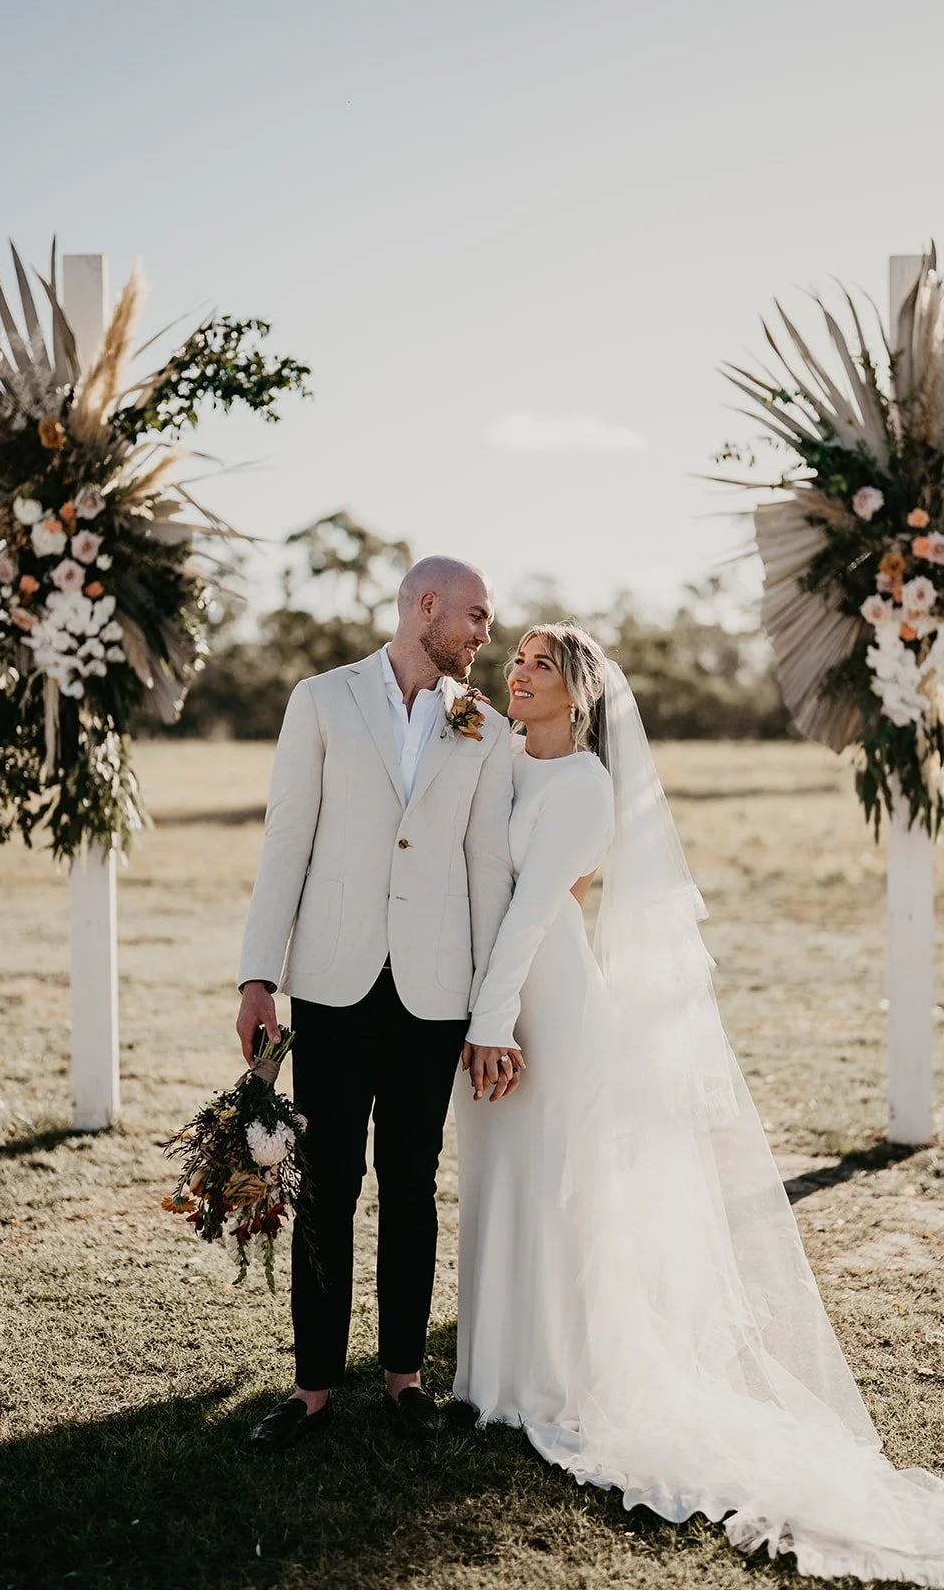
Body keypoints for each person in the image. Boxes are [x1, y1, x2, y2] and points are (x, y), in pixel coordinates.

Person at [455, 621, 944, 1586]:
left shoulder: (587, 787)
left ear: (580, 694)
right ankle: (490, 1370)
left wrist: (492, 1020)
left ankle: (537, 1379)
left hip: (538, 1000)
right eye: (516, 658)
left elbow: (537, 906)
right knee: (499, 1173)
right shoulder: (505, 756)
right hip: (497, 998)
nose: (517, 671)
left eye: (539, 665)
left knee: (547, 1183)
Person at [237, 556, 518, 1449]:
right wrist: (257, 977)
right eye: (474, 616)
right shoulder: (321, 700)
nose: (484, 634)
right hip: (333, 981)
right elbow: (288, 838)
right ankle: (313, 1387)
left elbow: (483, 866)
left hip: (434, 992)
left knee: (409, 1181)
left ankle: (402, 1377)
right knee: (326, 1184)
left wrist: (487, 1012)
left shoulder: (485, 725)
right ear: (425, 607)